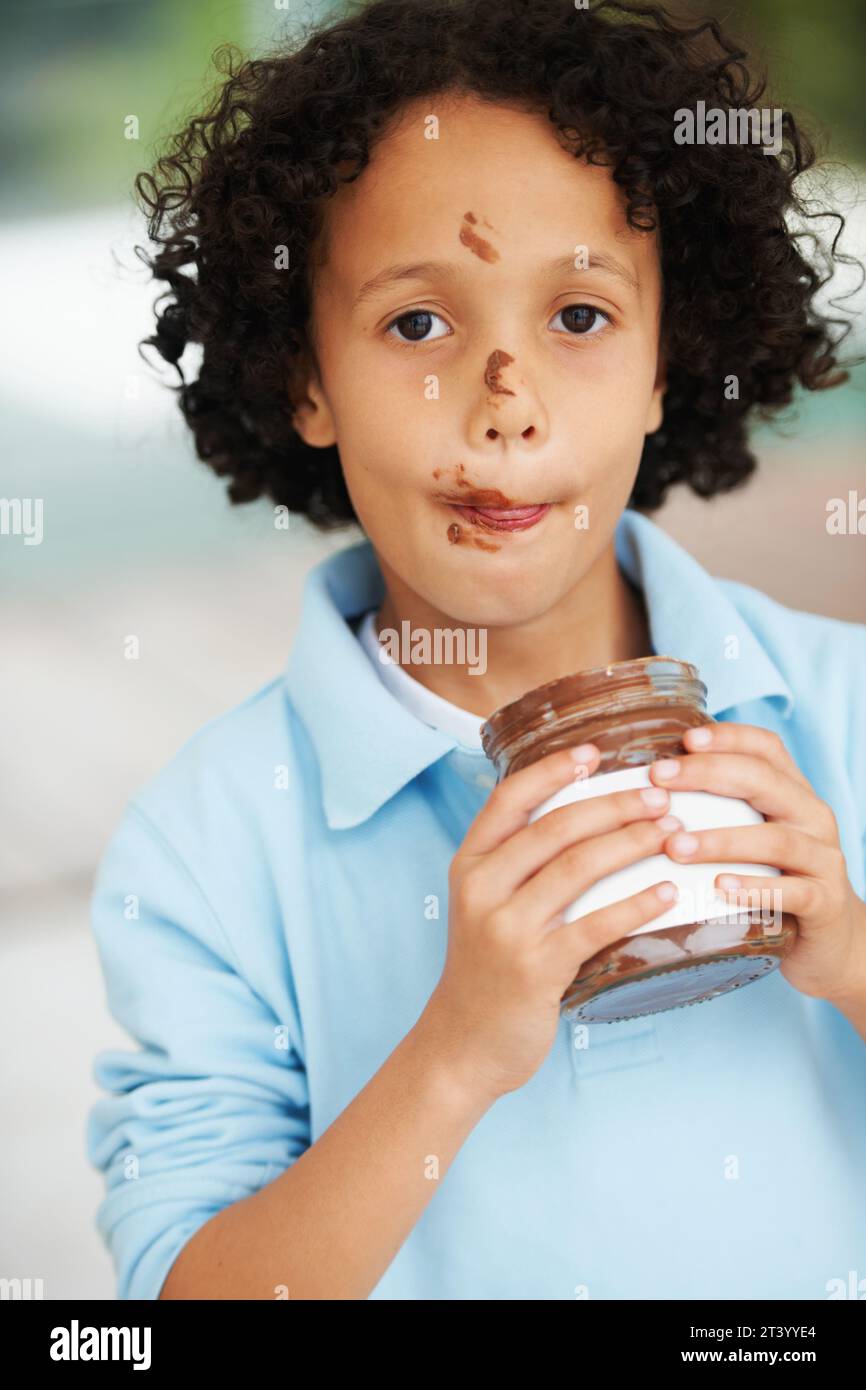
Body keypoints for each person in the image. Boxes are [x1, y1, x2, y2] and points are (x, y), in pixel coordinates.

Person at [87, 0, 866, 1300]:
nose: (505, 405)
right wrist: (452, 1051)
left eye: (576, 317)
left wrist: (846, 949)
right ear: (304, 377)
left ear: (667, 358)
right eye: (414, 326)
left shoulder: (845, 708)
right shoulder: (209, 844)